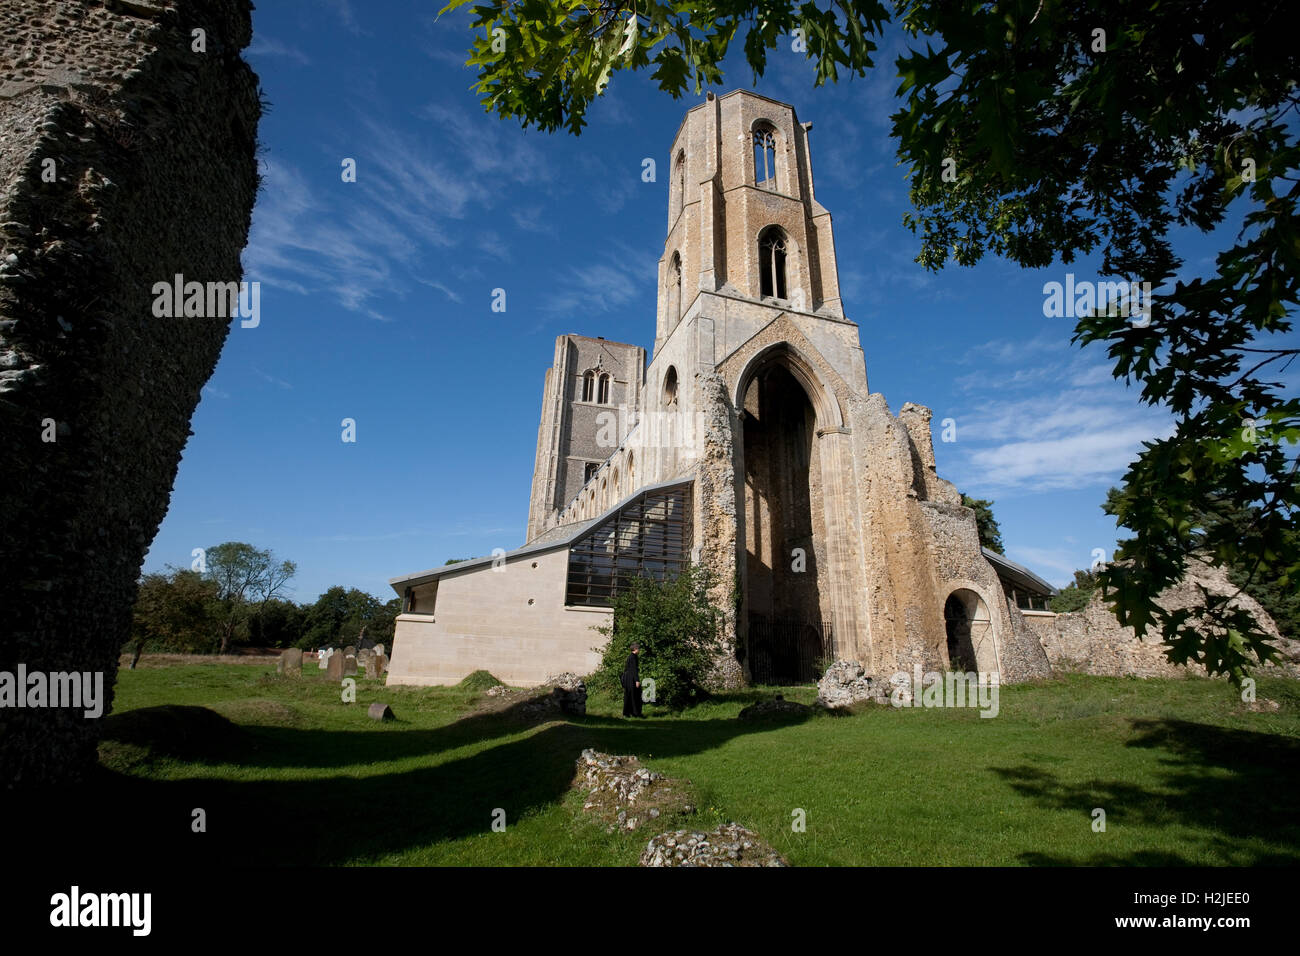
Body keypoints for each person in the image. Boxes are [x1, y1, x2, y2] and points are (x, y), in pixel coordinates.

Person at [621, 642, 643, 718]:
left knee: (631, 695)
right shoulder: (633, 657)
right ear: (635, 649)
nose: (639, 650)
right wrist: (637, 680)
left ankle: (631, 713)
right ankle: (633, 713)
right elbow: (634, 670)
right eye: (639, 649)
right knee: (633, 696)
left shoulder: (632, 656)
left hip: (629, 678)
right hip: (631, 679)